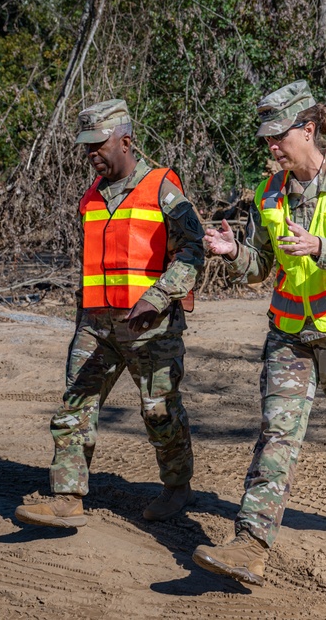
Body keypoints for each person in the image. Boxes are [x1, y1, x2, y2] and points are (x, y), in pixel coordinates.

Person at [193, 80, 326, 586]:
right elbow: (261, 264)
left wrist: (322, 248)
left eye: (278, 136)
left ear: (308, 129)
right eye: (266, 139)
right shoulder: (268, 191)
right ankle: (251, 542)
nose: (271, 146)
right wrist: (232, 252)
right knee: (276, 434)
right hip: (288, 334)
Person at [15, 99, 205, 528]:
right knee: (74, 406)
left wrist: (157, 297)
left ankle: (177, 487)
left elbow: (194, 251)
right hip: (96, 325)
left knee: (159, 411)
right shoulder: (92, 196)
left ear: (126, 141)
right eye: (85, 147)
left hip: (149, 327)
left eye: (98, 144)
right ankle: (67, 495)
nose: (91, 154)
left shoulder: (161, 186)